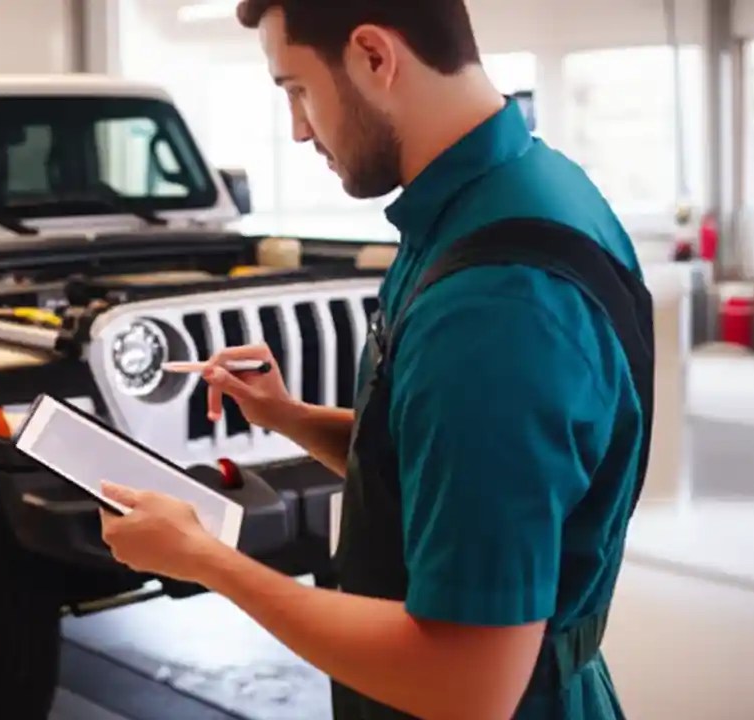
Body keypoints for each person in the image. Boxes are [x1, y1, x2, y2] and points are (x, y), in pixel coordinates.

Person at [98, 1, 655, 718]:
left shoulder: (492, 306)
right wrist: (289, 417)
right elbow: (438, 464)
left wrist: (206, 560)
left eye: (296, 89)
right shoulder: (513, 194)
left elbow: (466, 683)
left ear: (372, 56)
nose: (298, 129)